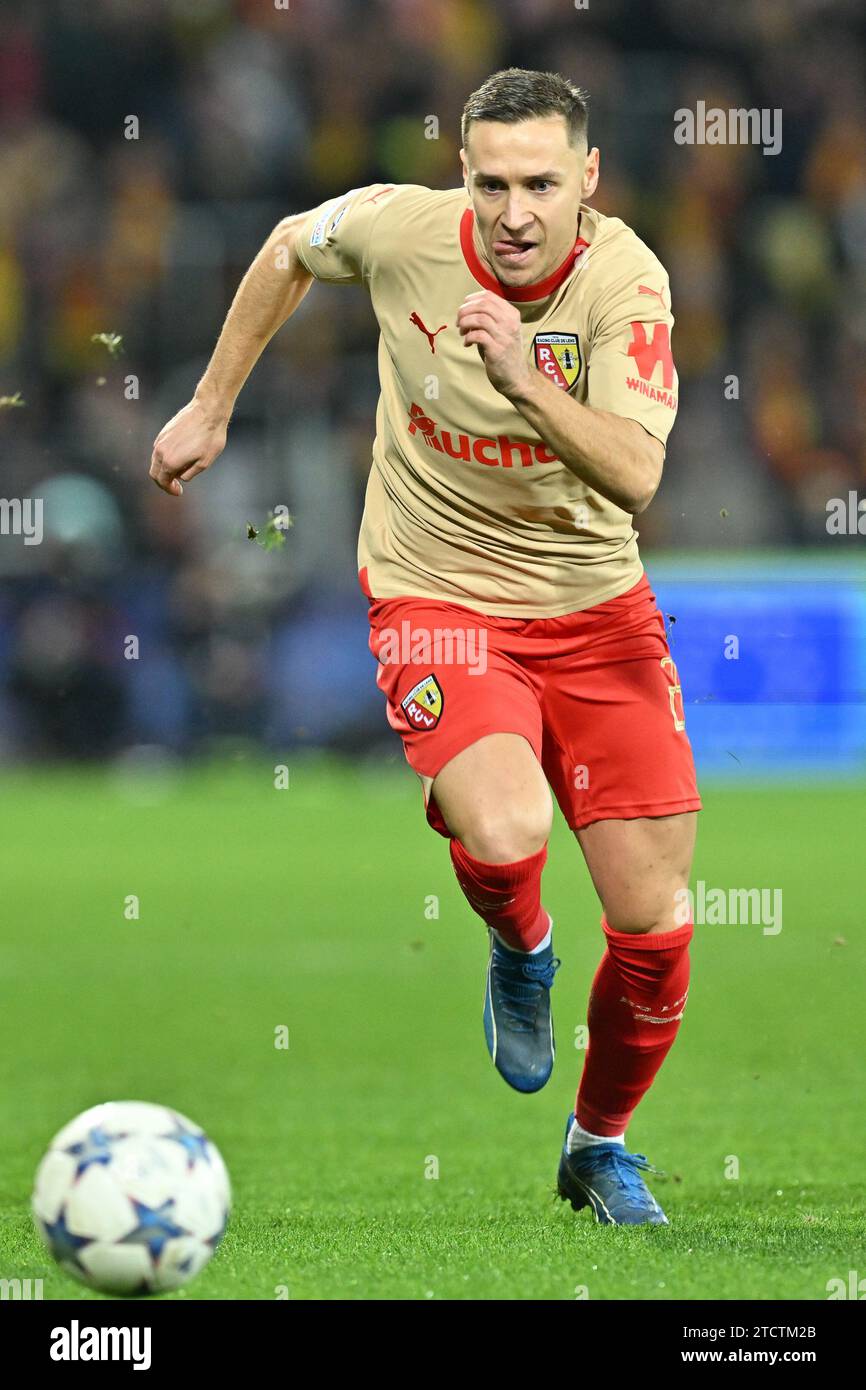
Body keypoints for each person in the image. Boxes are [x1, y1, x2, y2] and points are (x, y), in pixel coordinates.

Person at [150, 68, 701, 1226]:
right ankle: (522, 944)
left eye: (540, 184)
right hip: (435, 593)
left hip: (595, 613)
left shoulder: (626, 283)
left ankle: (597, 1146)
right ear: (462, 173)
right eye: (491, 182)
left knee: (651, 923)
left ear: (587, 180)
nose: (512, 212)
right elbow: (291, 246)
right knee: (506, 829)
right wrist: (211, 403)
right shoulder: (402, 231)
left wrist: (517, 375)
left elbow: (636, 473)